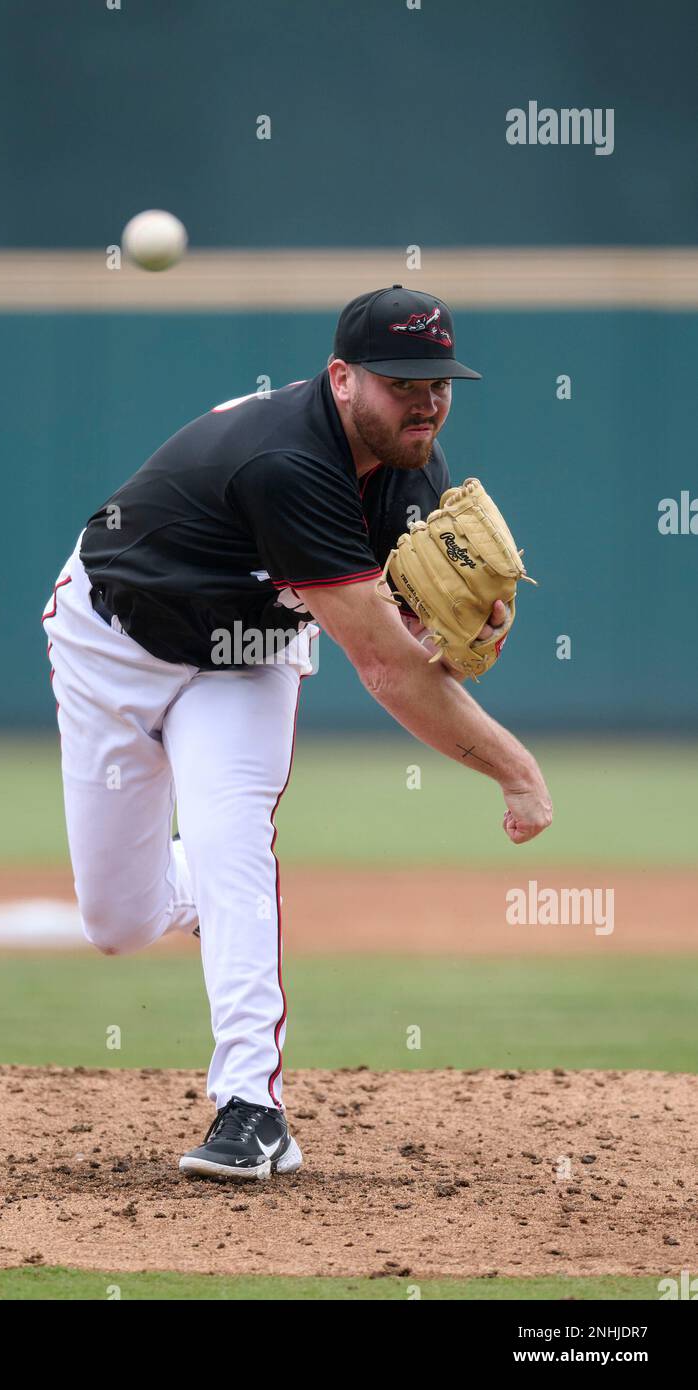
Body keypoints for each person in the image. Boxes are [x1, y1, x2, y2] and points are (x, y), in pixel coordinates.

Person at [41, 286, 553, 1182]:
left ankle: (253, 1110)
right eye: (403, 383)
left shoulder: (412, 467)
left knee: (233, 833)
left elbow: (406, 625)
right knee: (117, 921)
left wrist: (446, 624)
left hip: (245, 659)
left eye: (440, 381)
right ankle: (212, 887)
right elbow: (387, 670)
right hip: (111, 644)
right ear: (343, 377)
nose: (427, 402)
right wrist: (514, 768)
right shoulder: (286, 459)